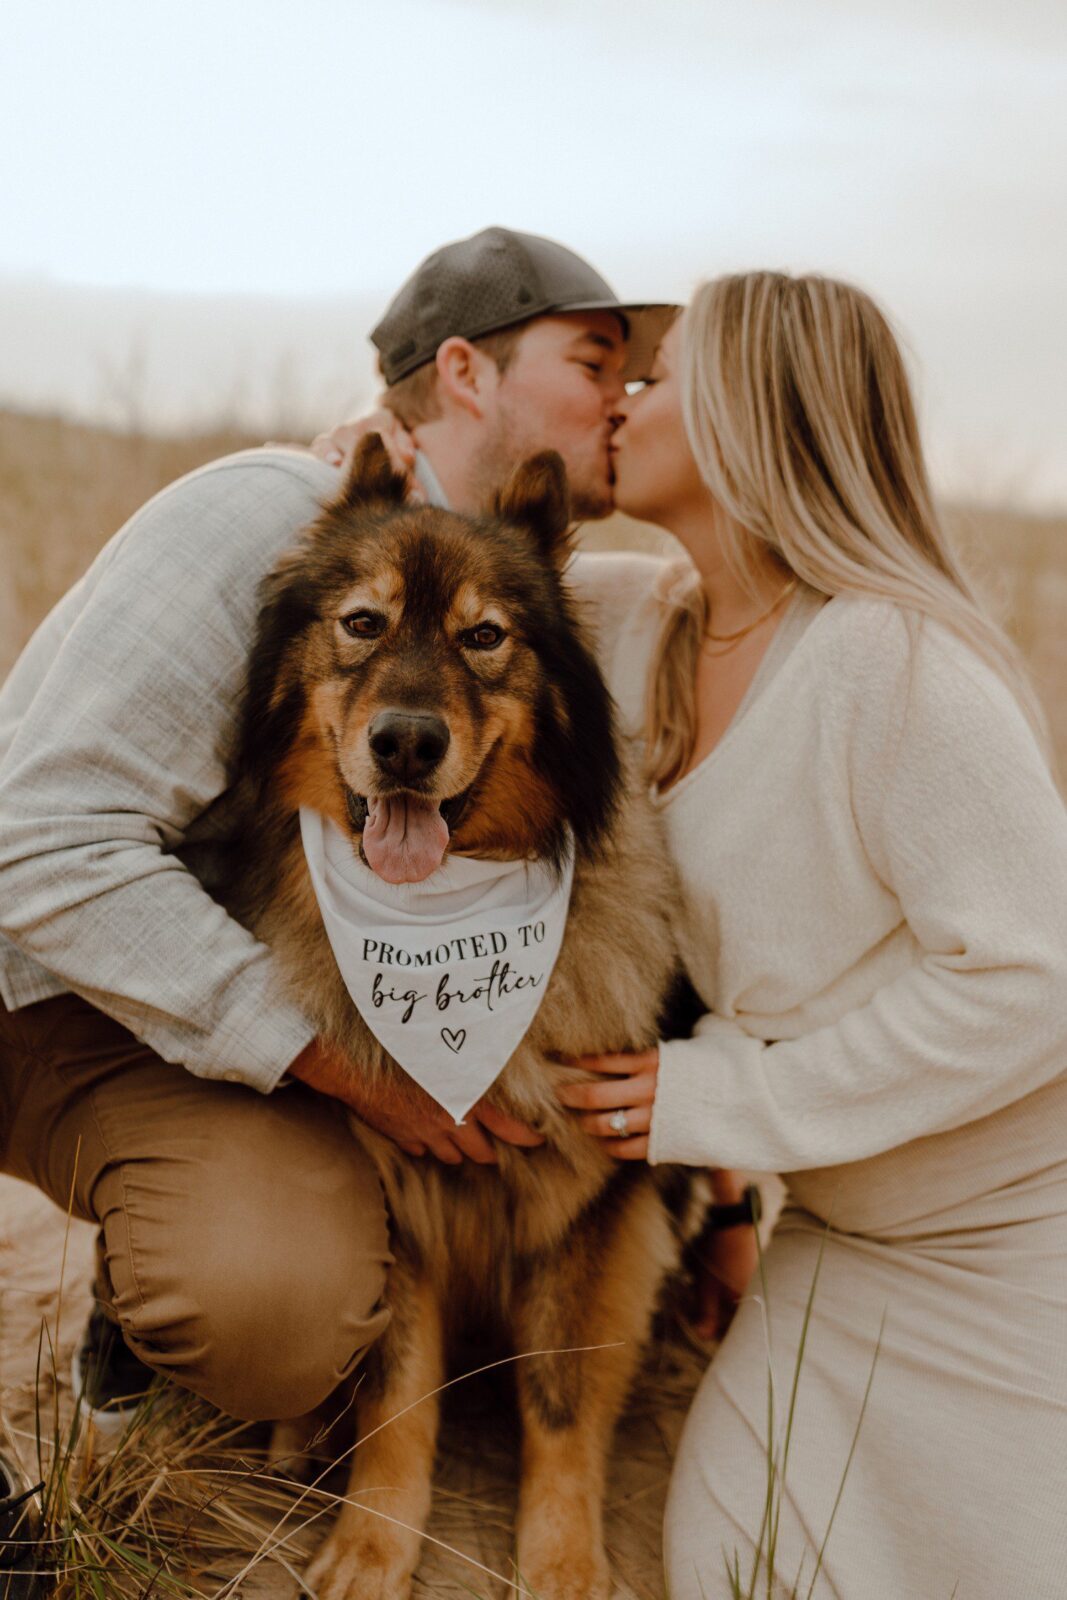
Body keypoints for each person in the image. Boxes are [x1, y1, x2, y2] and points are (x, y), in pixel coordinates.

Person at [0, 227, 751, 1430]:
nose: (625, 398)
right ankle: (152, 1294)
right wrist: (350, 1075)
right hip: (59, 997)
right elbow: (33, 836)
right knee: (278, 1305)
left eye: (637, 379)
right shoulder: (273, 514)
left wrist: (726, 1185)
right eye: (594, 360)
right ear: (465, 372)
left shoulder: (555, 580)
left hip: (271, 990)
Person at [543, 274, 1067, 1596]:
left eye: (652, 381)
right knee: (737, 1547)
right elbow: (455, 553)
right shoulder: (640, 624)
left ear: (741, 416)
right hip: (838, 1241)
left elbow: (1028, 978)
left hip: (1014, 1252)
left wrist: (726, 1103)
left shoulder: (891, 660)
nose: (620, 400)